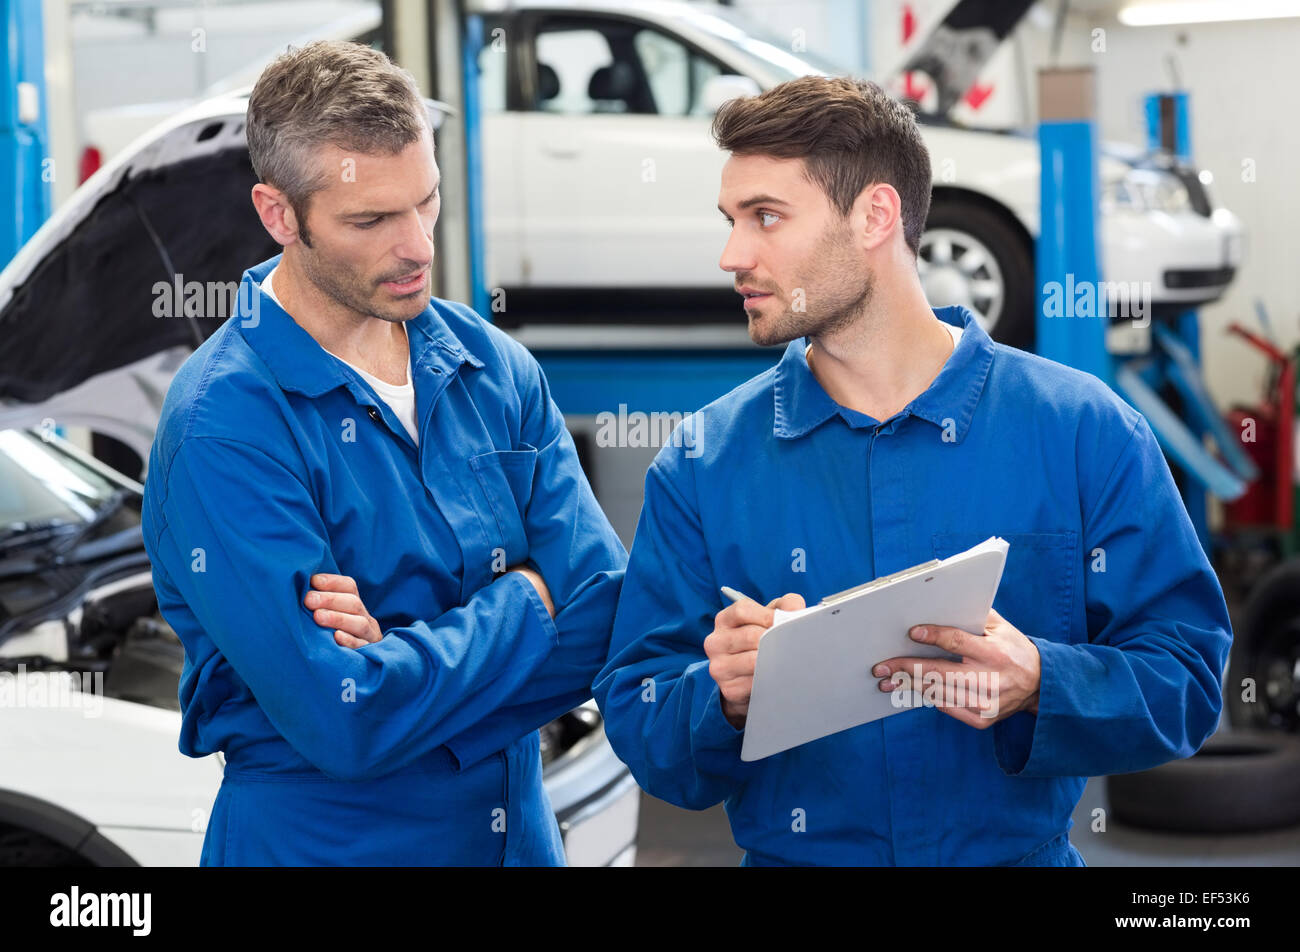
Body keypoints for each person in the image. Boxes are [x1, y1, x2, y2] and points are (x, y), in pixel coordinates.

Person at [592, 75, 1232, 866]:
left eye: (765, 218)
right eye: (730, 221)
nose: (732, 256)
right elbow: (640, 713)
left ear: (875, 216)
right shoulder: (703, 462)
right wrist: (717, 697)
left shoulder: (1081, 430)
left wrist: (1043, 680)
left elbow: (1189, 675)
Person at [142, 41, 626, 865]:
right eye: (370, 220)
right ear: (278, 214)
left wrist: (404, 658)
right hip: (330, 844)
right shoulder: (223, 426)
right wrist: (533, 601)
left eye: (426, 202)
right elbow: (344, 719)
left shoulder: (489, 364)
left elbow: (607, 616)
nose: (418, 248)